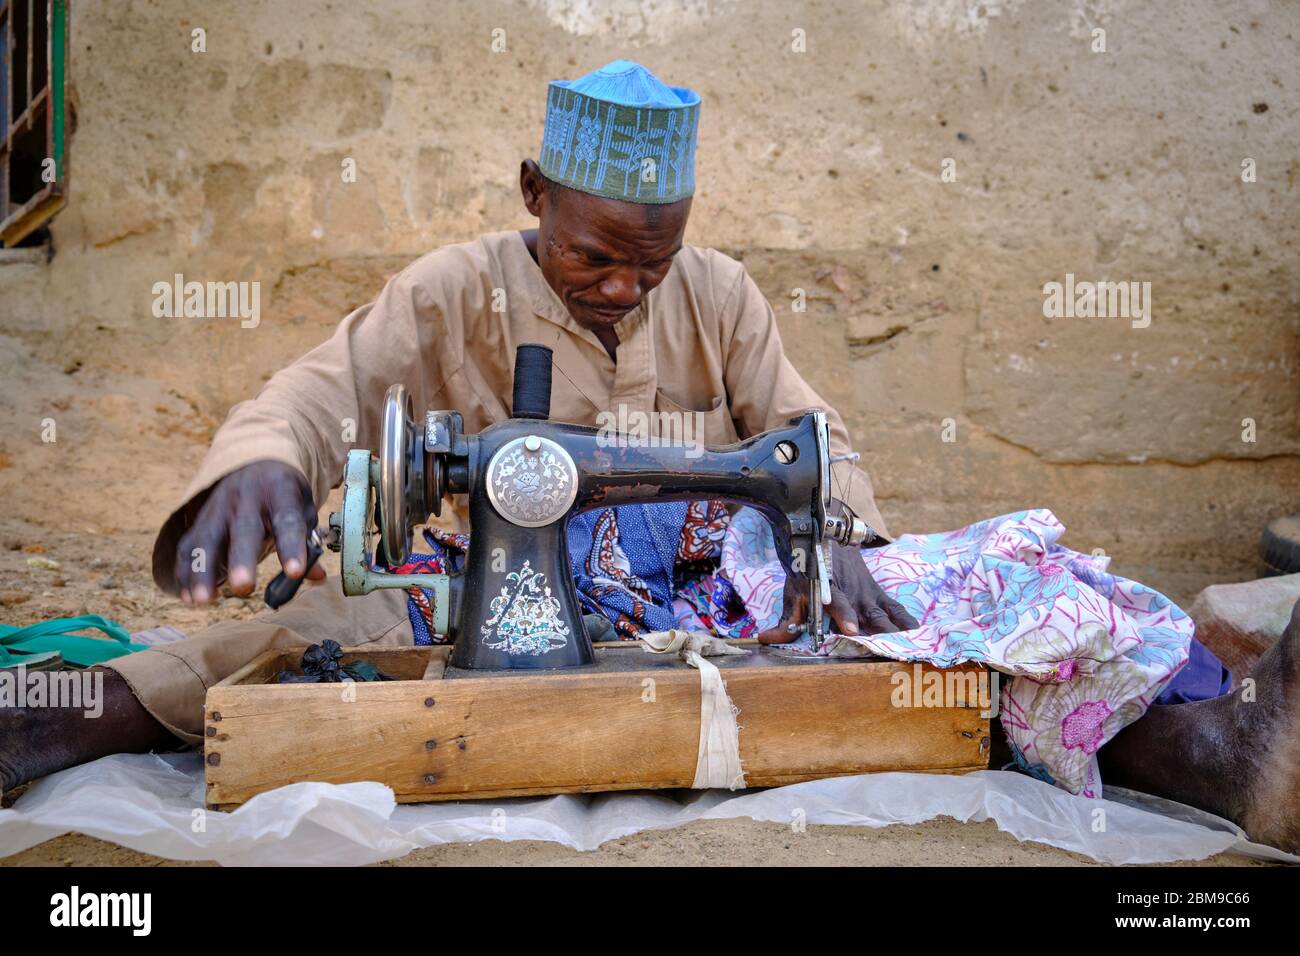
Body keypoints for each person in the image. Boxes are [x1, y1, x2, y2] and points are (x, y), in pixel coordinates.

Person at [1, 61, 1295, 855]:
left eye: (651, 262)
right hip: (478, 599)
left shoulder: (720, 297)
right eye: (594, 257)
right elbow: (316, 391)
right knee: (305, 627)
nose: (625, 286)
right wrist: (260, 463)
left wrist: (838, 527)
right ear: (533, 194)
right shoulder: (450, 293)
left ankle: (1203, 746)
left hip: (701, 610)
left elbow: (813, 437)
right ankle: (55, 726)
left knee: (943, 622)